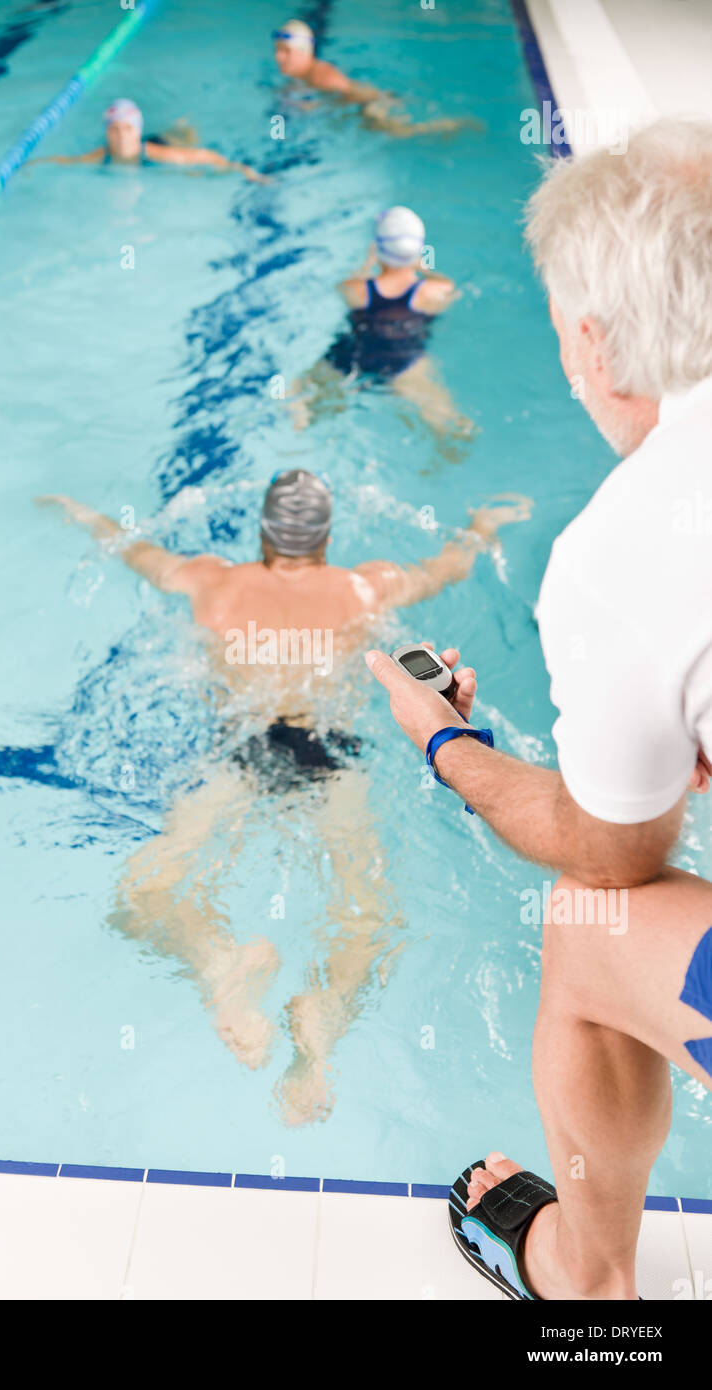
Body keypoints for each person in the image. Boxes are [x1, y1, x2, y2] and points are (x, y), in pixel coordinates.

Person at [365, 118, 712, 1300]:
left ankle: (584, 1279)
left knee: (587, 922)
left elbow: (613, 852)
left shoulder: (629, 545)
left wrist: (447, 745)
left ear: (591, 344)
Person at [38, 474, 530, 1124]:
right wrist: (481, 527)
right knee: (367, 912)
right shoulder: (367, 585)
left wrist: (83, 510)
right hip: (332, 756)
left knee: (143, 896)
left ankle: (220, 967)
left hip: (240, 751)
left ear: (264, 535)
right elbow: (449, 566)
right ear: (325, 539)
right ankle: (319, 1033)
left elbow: (136, 552)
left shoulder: (210, 579)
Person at [290, 206, 472, 443]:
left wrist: (367, 264)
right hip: (401, 363)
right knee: (451, 424)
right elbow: (449, 290)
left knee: (296, 392)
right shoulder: (434, 292)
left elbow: (346, 283)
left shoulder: (354, 289)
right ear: (419, 250)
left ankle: (298, 431)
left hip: (347, 358)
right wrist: (422, 268)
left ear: (377, 249)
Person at [272, 19, 480, 138]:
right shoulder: (305, 76)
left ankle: (452, 126)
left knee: (404, 133)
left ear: (304, 52)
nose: (278, 57)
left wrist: (313, 106)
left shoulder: (322, 77)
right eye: (278, 50)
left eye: (286, 52)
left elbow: (348, 97)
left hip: (369, 104)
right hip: (361, 102)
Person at [31, 97, 268, 182]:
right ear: (106, 134)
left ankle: (183, 125)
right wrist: (29, 167)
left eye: (127, 129)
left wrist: (243, 170)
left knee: (184, 138)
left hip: (163, 144)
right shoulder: (100, 155)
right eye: (114, 130)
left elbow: (204, 156)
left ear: (136, 131)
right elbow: (65, 161)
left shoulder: (157, 153)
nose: (122, 136)